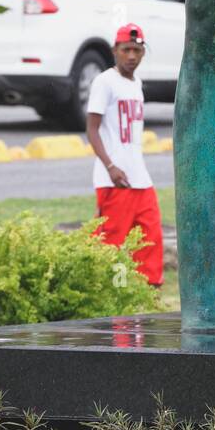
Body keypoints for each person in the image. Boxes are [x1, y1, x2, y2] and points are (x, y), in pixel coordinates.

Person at [85, 24, 164, 288]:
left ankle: (148, 291)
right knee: (112, 242)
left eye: (137, 50)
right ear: (114, 51)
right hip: (115, 180)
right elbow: (92, 129)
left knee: (150, 237)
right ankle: (107, 293)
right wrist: (110, 166)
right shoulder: (104, 82)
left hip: (139, 176)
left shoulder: (136, 83)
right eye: (126, 50)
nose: (131, 56)